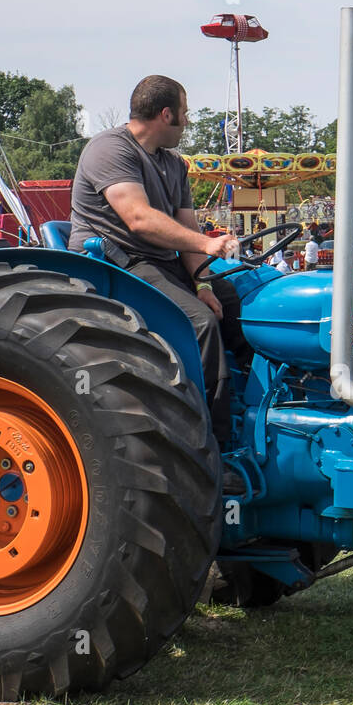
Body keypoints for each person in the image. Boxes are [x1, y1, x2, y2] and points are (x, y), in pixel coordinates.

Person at [68, 74, 244, 449]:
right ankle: (214, 446)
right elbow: (139, 219)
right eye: (185, 112)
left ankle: (265, 412)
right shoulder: (110, 150)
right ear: (167, 115)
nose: (188, 121)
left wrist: (203, 282)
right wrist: (207, 244)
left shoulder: (173, 164)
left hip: (160, 263)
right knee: (197, 324)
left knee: (241, 307)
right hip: (117, 262)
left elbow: (186, 228)